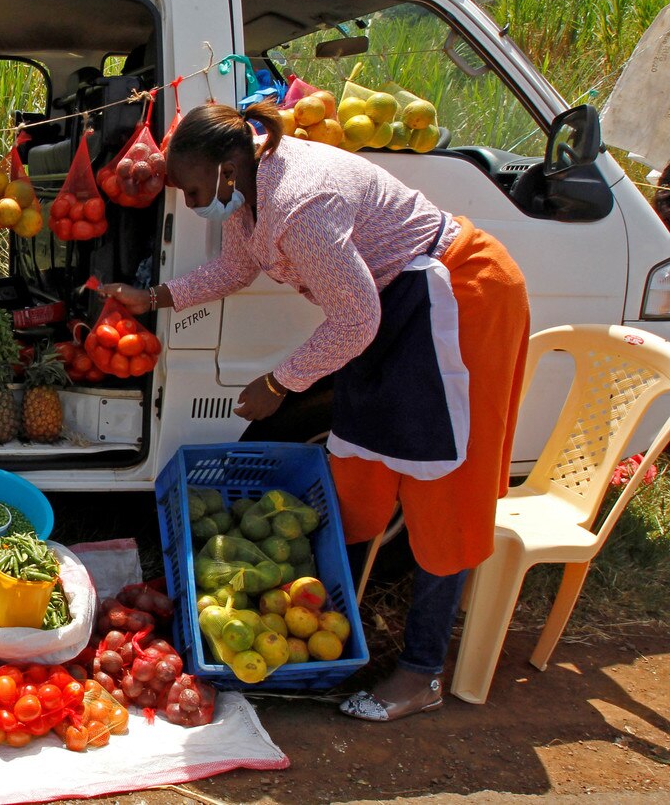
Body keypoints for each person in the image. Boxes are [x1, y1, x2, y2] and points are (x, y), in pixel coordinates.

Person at [99, 101, 530, 721]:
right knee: (354, 473)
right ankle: (332, 640)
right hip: (388, 311)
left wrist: (279, 383)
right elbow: (238, 266)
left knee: (442, 485)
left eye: (192, 191)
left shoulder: (300, 206)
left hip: (458, 296)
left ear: (225, 167)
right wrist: (156, 296)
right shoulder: (250, 192)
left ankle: (421, 670)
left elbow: (356, 317)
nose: (192, 206)